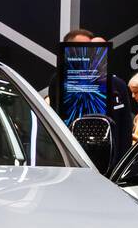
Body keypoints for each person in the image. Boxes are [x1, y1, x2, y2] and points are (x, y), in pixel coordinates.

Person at [48, 29, 133, 163]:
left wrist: (122, 164)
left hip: (110, 162)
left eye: (91, 48)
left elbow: (125, 128)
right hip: (72, 159)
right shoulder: (58, 82)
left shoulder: (118, 85)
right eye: (81, 48)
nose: (87, 52)